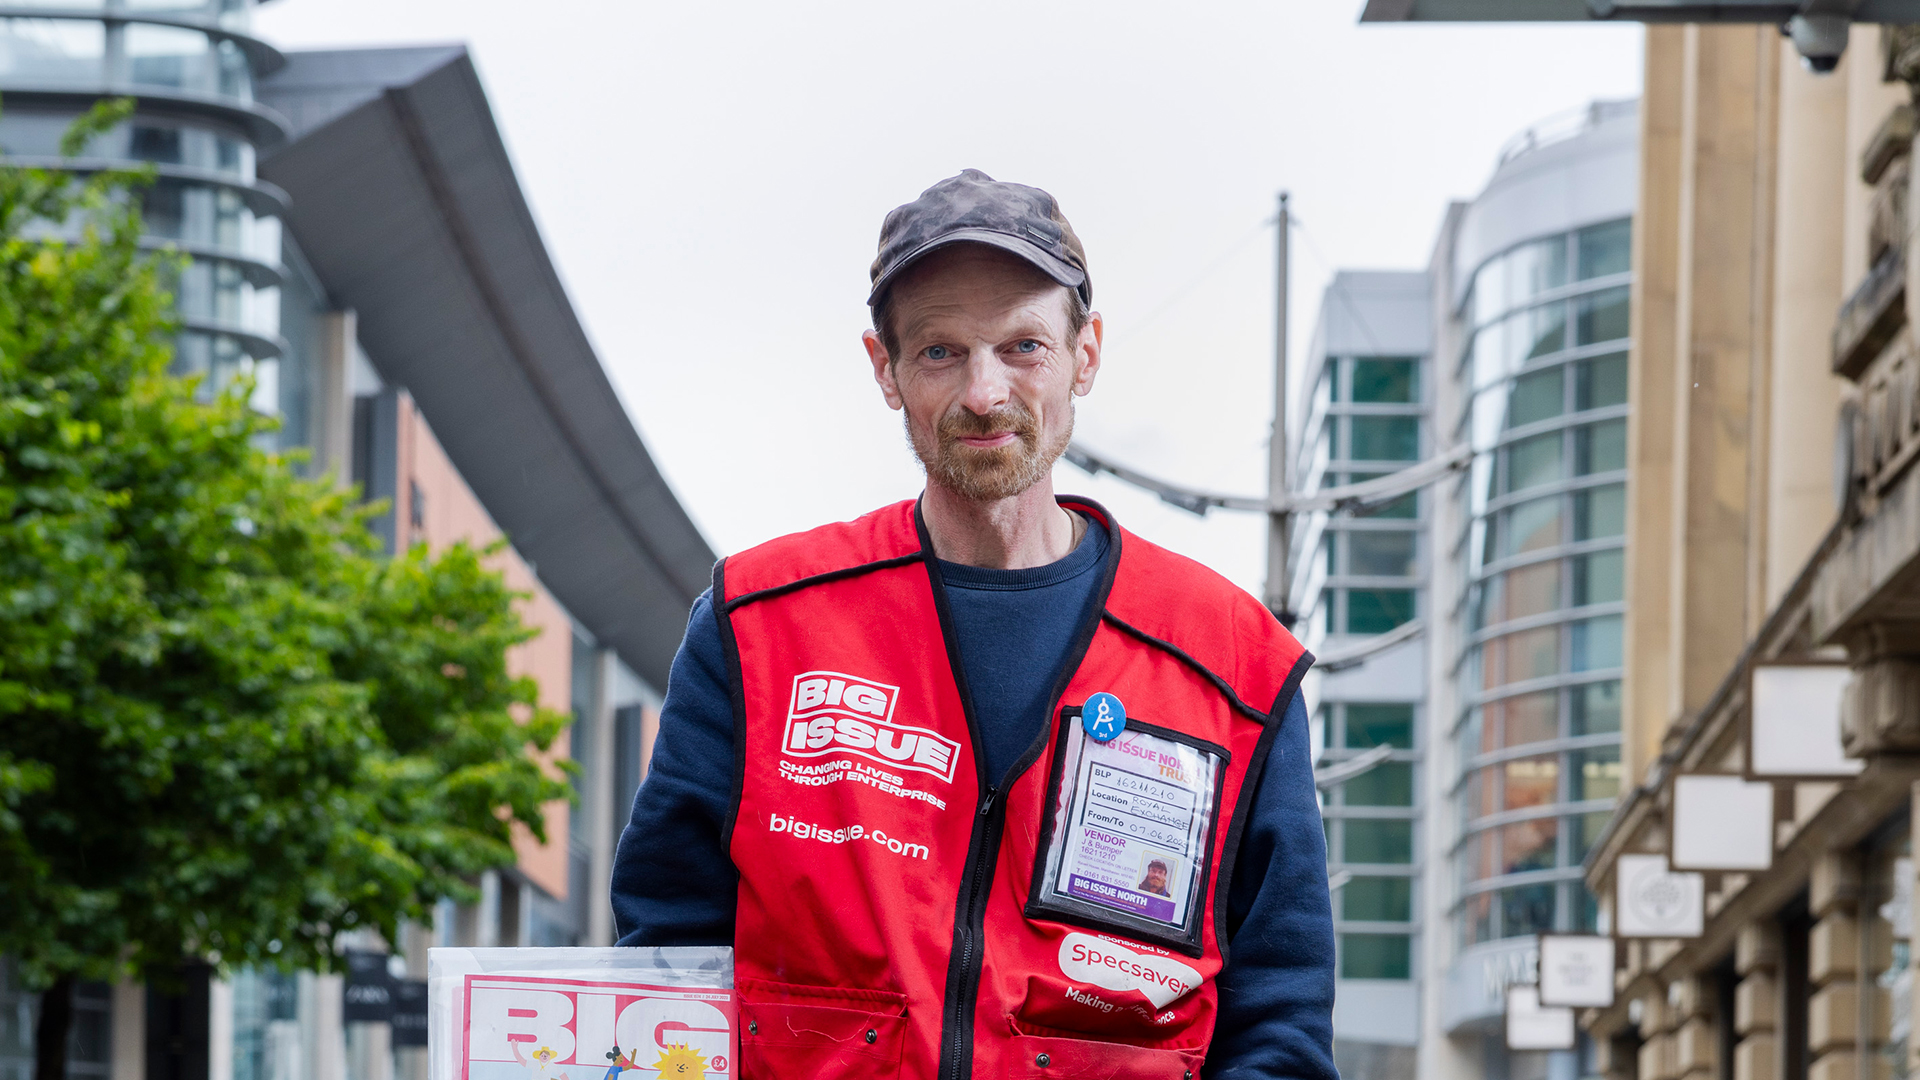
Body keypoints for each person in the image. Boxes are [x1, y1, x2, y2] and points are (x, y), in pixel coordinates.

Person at [611, 170, 1335, 1080]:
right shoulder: (760, 626)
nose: (985, 393)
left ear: (1086, 352)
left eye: (1024, 344)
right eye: (941, 352)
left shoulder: (1232, 667)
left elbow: (1279, 1028)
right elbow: (668, 955)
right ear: (886, 369)